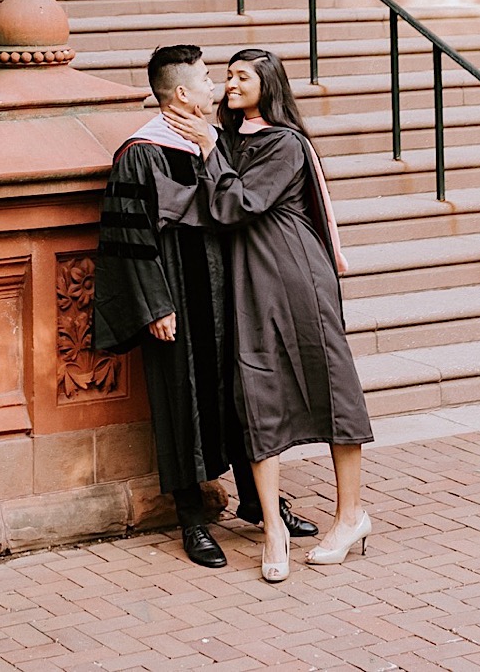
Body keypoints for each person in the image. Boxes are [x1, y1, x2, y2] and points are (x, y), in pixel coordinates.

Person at [91, 42, 318, 567]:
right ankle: (192, 519)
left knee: (244, 398)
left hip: (233, 294)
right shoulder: (143, 152)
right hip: (179, 301)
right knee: (183, 406)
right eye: (207, 77)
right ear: (181, 93)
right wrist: (154, 306)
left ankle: (260, 506)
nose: (216, 85)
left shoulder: (220, 141)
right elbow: (131, 236)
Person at [164, 46, 372, 585]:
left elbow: (239, 205)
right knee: (257, 394)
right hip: (248, 281)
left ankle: (351, 517)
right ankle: (273, 526)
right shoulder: (226, 139)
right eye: (226, 77)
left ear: (268, 85)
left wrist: (210, 147)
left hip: (298, 276)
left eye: (241, 77)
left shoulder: (285, 144)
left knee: (330, 387)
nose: (230, 85)